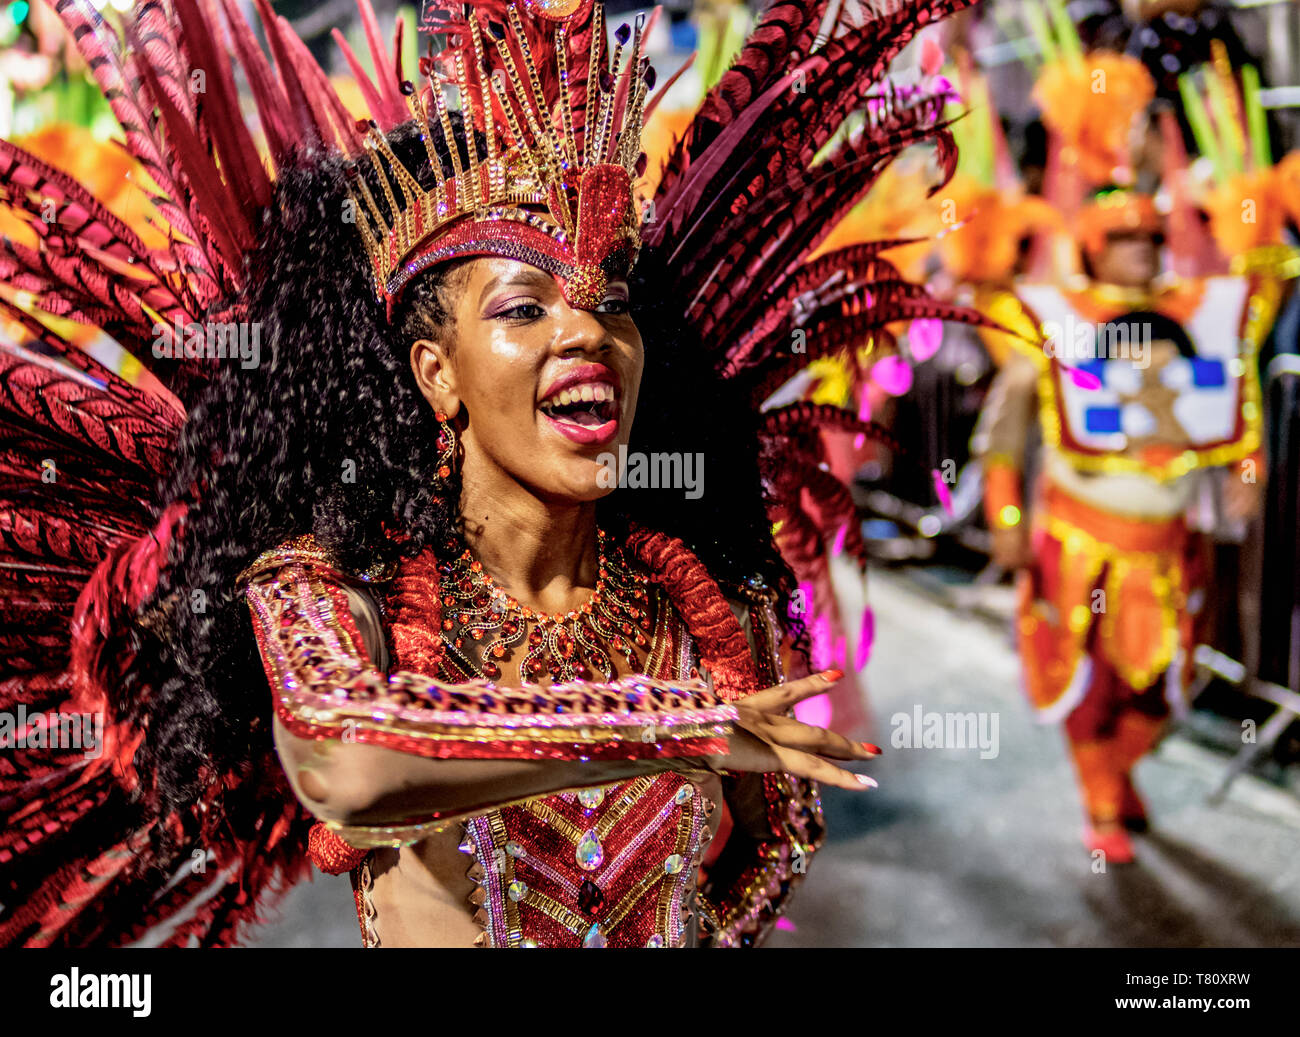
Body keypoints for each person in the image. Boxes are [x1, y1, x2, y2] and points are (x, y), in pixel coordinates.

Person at [0, 0, 982, 946]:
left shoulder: (710, 602)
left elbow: (780, 833)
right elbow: (350, 760)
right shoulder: (329, 590)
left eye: (612, 303)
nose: (587, 331)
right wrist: (674, 728)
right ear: (436, 374)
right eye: (523, 309)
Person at [974, 195, 1272, 862]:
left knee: (1164, 683)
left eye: (1150, 233)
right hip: (1083, 544)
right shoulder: (1052, 322)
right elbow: (1002, 436)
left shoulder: (1198, 313)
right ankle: (1101, 799)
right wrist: (1006, 518)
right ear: (1093, 245)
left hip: (1173, 544)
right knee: (1090, 682)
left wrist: (1249, 473)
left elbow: (1234, 401)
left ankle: (1119, 767)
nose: (1141, 244)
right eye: (1123, 234)